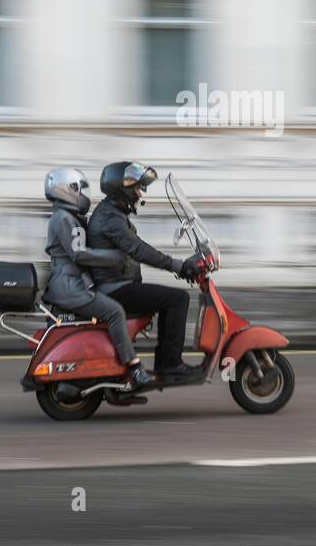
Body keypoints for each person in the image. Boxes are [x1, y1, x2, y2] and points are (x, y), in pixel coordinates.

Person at [87, 161, 202, 381]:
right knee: (177, 299)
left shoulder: (113, 214)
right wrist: (177, 266)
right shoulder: (110, 218)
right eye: (138, 187)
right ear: (122, 188)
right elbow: (138, 250)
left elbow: (137, 246)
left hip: (119, 285)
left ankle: (167, 363)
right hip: (115, 289)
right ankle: (170, 365)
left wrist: (178, 264)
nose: (140, 193)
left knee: (169, 298)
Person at [41, 167, 155, 389]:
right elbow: (79, 253)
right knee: (114, 312)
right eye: (80, 189)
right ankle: (133, 367)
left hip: (75, 283)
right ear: (66, 189)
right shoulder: (64, 218)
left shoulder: (69, 217)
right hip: (70, 287)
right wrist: (116, 257)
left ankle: (113, 363)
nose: (84, 194)